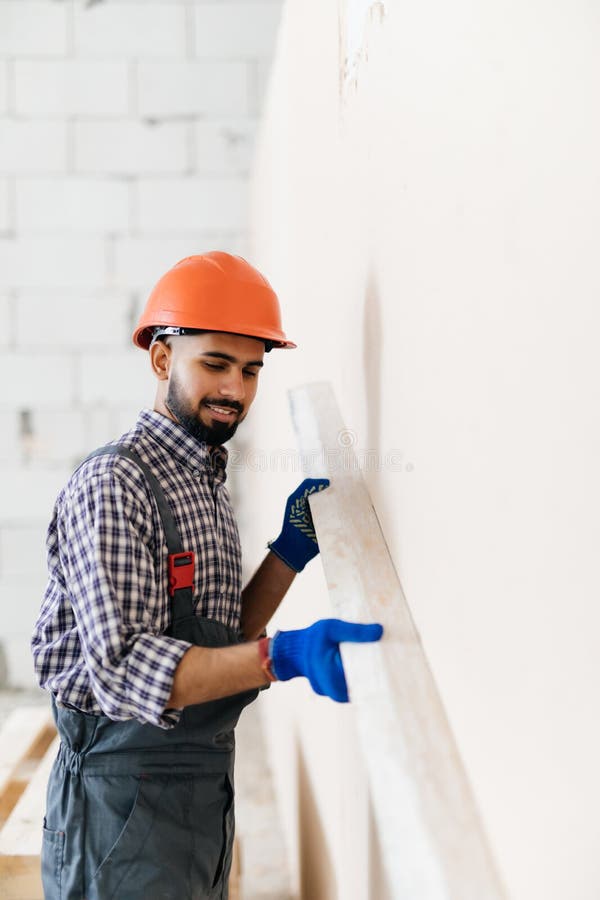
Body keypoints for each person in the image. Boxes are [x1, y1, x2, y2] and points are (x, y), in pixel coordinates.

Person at [31, 251, 383, 900]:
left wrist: (288, 554)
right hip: (119, 803)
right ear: (162, 359)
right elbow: (122, 673)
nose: (236, 391)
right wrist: (284, 656)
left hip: (200, 790)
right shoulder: (116, 484)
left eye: (251, 370)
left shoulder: (204, 481)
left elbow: (220, 643)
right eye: (215, 364)